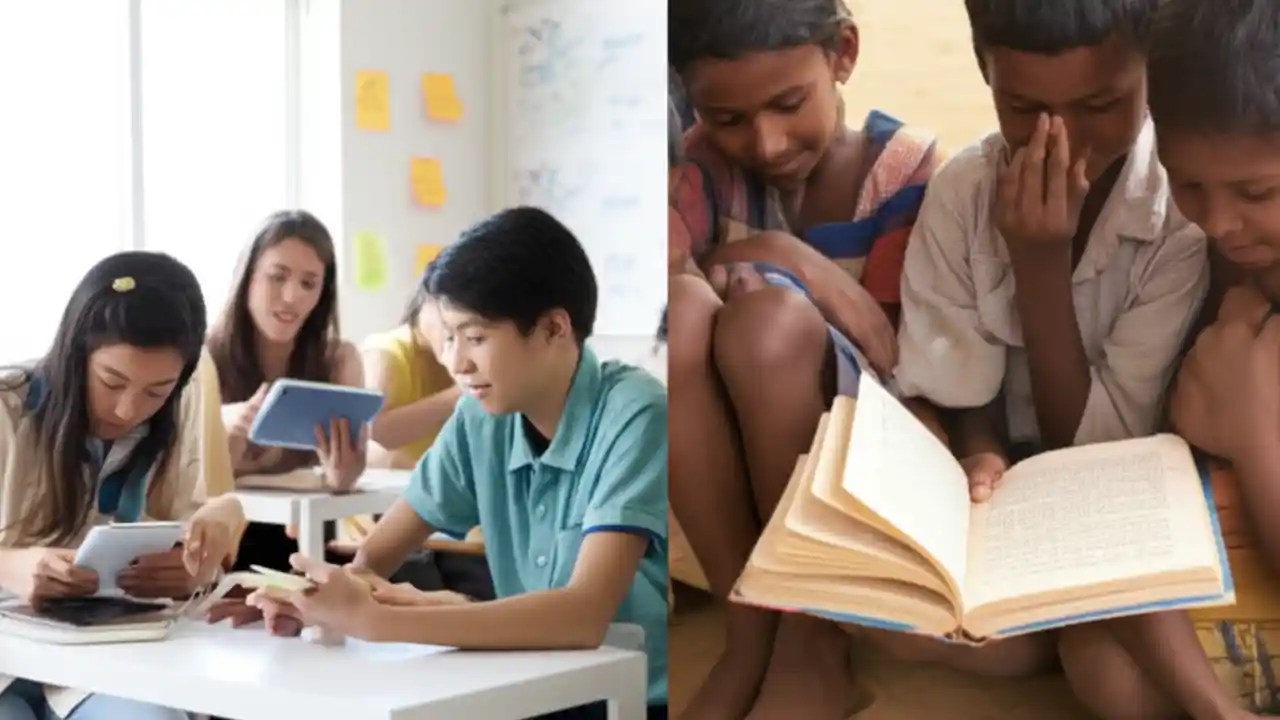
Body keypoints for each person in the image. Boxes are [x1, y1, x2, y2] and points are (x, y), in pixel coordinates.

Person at [888, 0, 1211, 694]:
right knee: (886, 620)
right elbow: (954, 385)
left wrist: (1039, 262)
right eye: (1025, 108)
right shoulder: (962, 194)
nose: (1062, 138)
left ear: (1150, 74)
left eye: (1100, 105)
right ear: (986, 74)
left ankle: (1046, 639)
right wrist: (980, 450)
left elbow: (1096, 450)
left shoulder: (1182, 217)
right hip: (1005, 498)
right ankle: (1034, 635)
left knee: (1109, 682)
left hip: (1111, 487)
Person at [248, 207, 669, 720]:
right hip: (532, 686)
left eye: (475, 338)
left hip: (631, 698)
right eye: (448, 338)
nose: (455, 362)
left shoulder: (635, 410)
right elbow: (368, 565)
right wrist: (310, 601)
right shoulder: (479, 417)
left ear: (554, 328)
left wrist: (378, 622)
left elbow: (583, 615)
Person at [667, 0, 937, 716]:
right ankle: (749, 623)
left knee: (768, 326)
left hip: (863, 438)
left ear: (843, 53)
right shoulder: (697, 168)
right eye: (727, 118)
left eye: (789, 104)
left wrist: (780, 280)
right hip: (726, 443)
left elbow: (890, 347)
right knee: (683, 306)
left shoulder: (902, 170)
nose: (767, 143)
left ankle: (809, 630)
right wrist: (787, 254)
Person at [1055, 0, 1280, 717]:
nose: (1218, 223)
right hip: (1232, 590)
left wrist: (1251, 429)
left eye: (1257, 193)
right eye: (1188, 184)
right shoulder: (1196, 263)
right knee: (1097, 654)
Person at [0, 252, 244, 720]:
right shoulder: (7, 408)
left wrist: (192, 569)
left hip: (104, 660)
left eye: (157, 391)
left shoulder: (168, 425)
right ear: (74, 354)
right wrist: (12, 566)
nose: (129, 409)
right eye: (111, 382)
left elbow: (190, 528)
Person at [206, 209, 365, 573]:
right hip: (222, 553)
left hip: (306, 550)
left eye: (309, 284)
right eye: (277, 277)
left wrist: (342, 478)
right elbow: (185, 490)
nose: (291, 296)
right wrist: (221, 431)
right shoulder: (204, 358)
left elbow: (346, 479)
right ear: (248, 276)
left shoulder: (338, 360)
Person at [361, 284, 459, 470]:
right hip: (393, 483)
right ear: (427, 304)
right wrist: (458, 395)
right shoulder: (385, 351)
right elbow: (371, 434)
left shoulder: (456, 361)